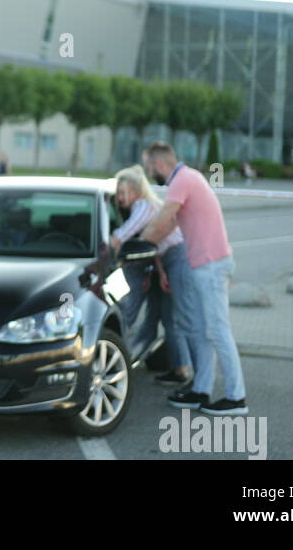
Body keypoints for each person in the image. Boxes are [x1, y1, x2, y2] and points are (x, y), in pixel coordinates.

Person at [141, 141, 249, 415]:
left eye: (149, 167)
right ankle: (201, 389)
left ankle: (236, 398)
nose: (149, 172)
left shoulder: (182, 180)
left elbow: (163, 219)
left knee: (218, 332)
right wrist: (147, 244)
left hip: (211, 266)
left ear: (159, 164)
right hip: (205, 265)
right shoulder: (189, 178)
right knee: (202, 332)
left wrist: (138, 243)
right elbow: (171, 225)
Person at [108, 165, 196, 387]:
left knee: (174, 318)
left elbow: (125, 233)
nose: (119, 198)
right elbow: (154, 244)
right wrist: (159, 271)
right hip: (165, 262)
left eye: (122, 193)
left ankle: (185, 372)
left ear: (136, 191)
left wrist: (103, 254)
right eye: (117, 193)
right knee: (162, 317)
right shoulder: (145, 206)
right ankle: (175, 367)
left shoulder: (143, 206)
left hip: (178, 259)